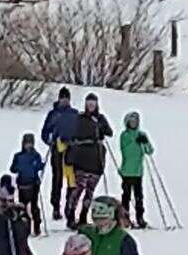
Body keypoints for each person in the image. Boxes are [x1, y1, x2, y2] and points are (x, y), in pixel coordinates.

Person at [63, 93, 113, 229]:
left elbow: (109, 132)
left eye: (93, 104)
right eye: (89, 103)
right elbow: (72, 134)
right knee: (78, 189)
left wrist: (100, 126)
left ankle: (83, 216)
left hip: (96, 159)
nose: (91, 106)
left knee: (90, 191)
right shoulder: (80, 118)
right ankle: (71, 215)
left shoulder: (100, 118)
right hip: (81, 158)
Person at [41, 87, 79, 221]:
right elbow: (45, 132)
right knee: (57, 179)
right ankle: (56, 206)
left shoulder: (75, 114)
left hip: (72, 151)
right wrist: (49, 140)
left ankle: (69, 206)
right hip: (57, 149)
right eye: (62, 98)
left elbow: (80, 130)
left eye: (66, 98)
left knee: (71, 180)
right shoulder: (53, 114)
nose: (64, 100)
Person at [117, 112, 154, 229]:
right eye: (131, 121)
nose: (134, 123)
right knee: (126, 196)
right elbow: (126, 150)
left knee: (139, 196)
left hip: (138, 171)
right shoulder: (125, 135)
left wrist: (145, 142)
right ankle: (125, 217)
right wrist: (136, 142)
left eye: (135, 121)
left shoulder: (141, 134)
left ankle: (140, 217)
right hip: (127, 171)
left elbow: (149, 151)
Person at [10, 132, 46, 236]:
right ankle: (25, 227)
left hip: (34, 184)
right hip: (22, 185)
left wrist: (42, 165)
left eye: (31, 143)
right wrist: (17, 167)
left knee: (34, 207)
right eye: (27, 143)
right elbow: (13, 169)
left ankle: (37, 227)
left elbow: (39, 166)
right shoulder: (18, 156)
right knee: (23, 207)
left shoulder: (36, 156)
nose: (29, 145)